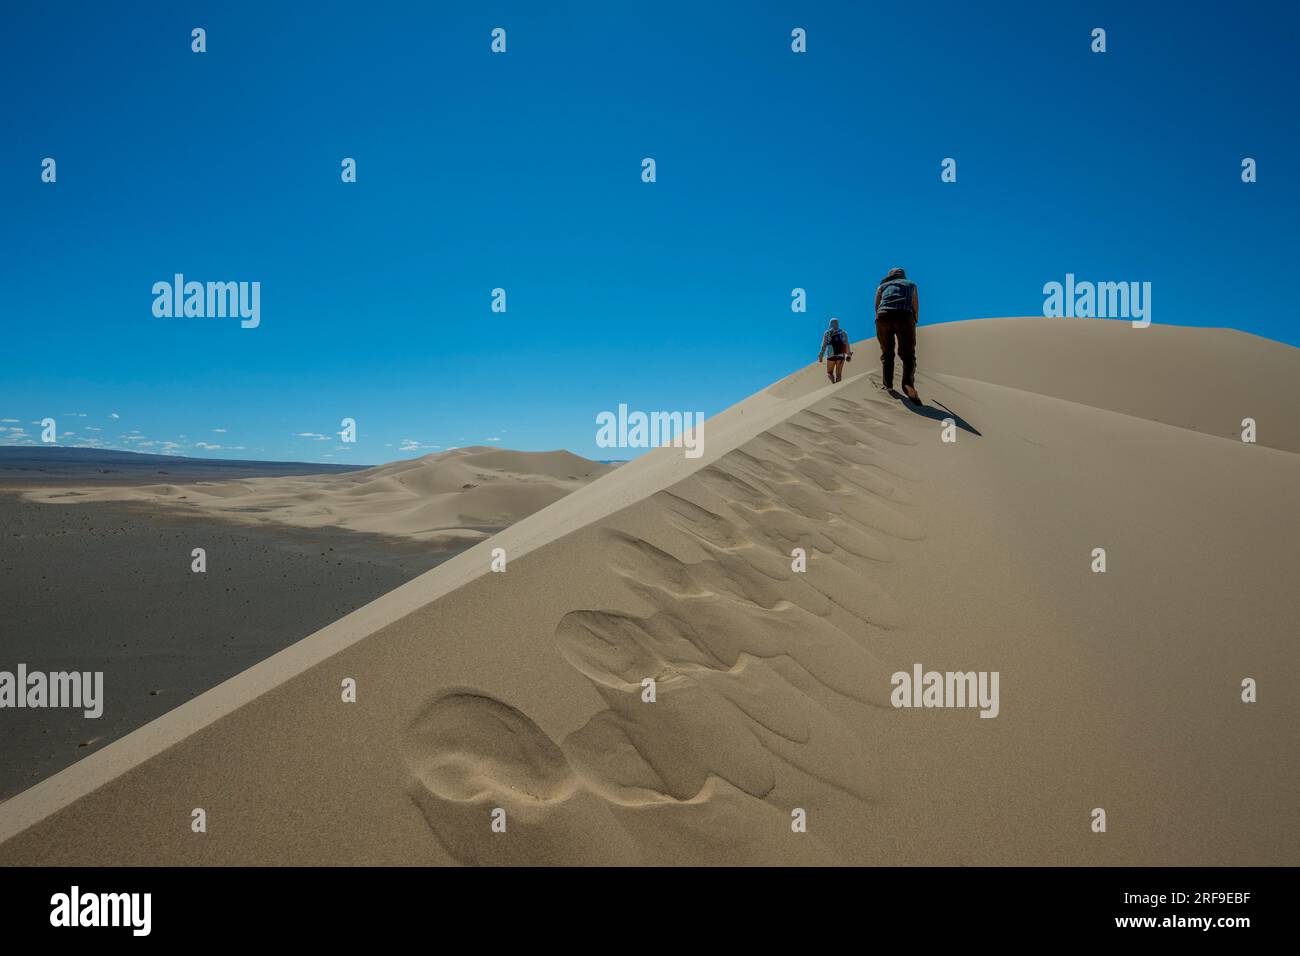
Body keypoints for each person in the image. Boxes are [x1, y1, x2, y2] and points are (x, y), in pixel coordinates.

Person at [874, 267, 921, 404]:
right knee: (908, 354)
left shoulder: (881, 286)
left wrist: (880, 319)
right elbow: (915, 304)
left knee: (887, 353)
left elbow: (876, 306)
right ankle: (908, 384)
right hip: (904, 316)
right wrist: (915, 319)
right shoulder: (911, 284)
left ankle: (888, 384)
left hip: (883, 316)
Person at [817, 318, 853, 383]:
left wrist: (821, 355)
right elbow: (846, 344)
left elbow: (823, 345)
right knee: (839, 374)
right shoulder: (843, 332)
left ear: (830, 324)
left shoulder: (827, 333)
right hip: (841, 355)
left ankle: (833, 383)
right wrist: (848, 354)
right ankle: (838, 387)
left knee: (829, 372)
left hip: (831, 354)